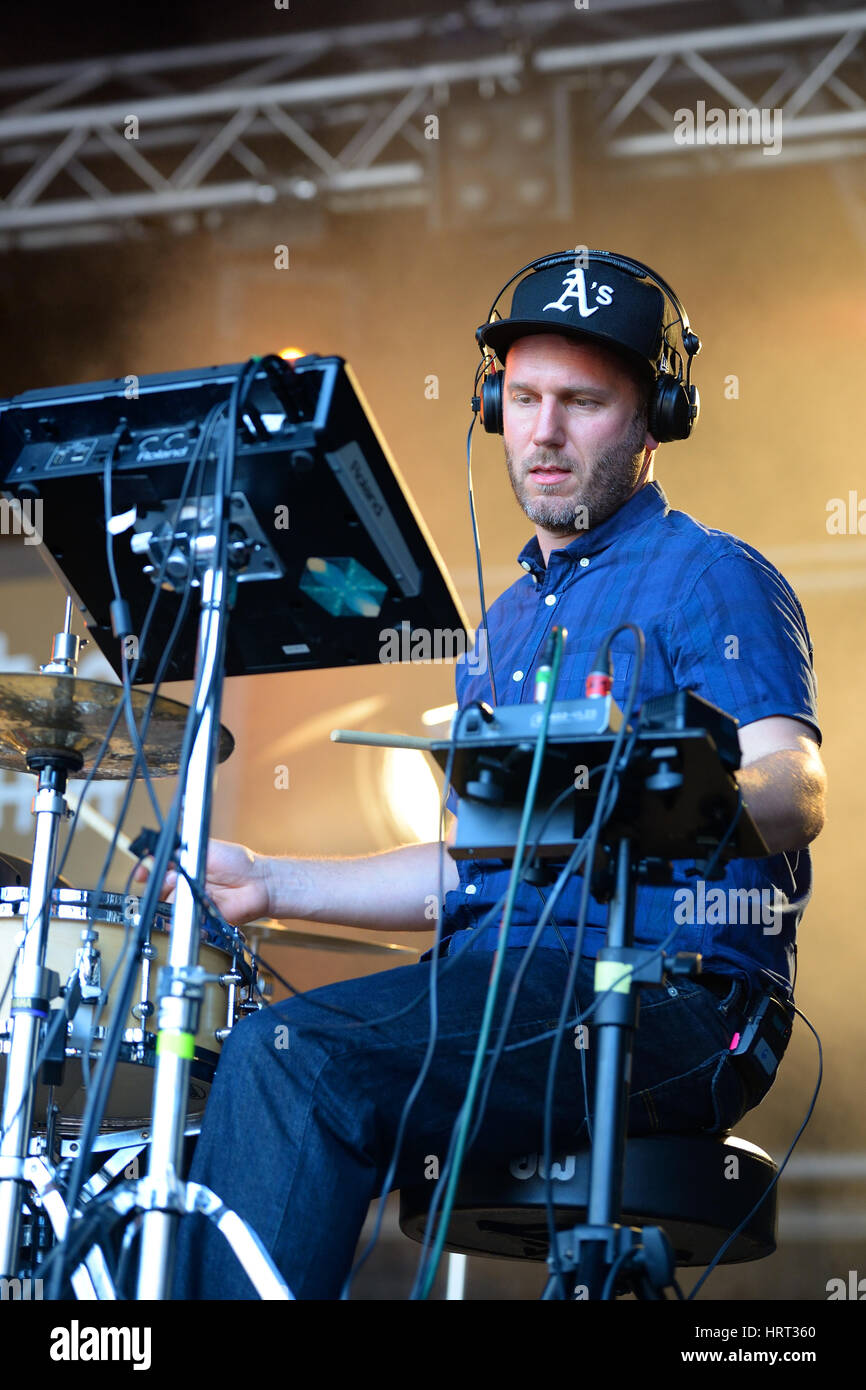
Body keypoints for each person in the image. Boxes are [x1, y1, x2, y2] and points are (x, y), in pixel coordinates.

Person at [150, 250, 826, 1300]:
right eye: (520, 398)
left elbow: (795, 786)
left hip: (671, 1003)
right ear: (489, 404)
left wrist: (659, 796)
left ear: (655, 421)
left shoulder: (713, 574)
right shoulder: (506, 624)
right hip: (503, 984)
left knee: (295, 1054)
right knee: (231, 1066)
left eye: (582, 402)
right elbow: (471, 868)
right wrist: (272, 883)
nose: (543, 431)